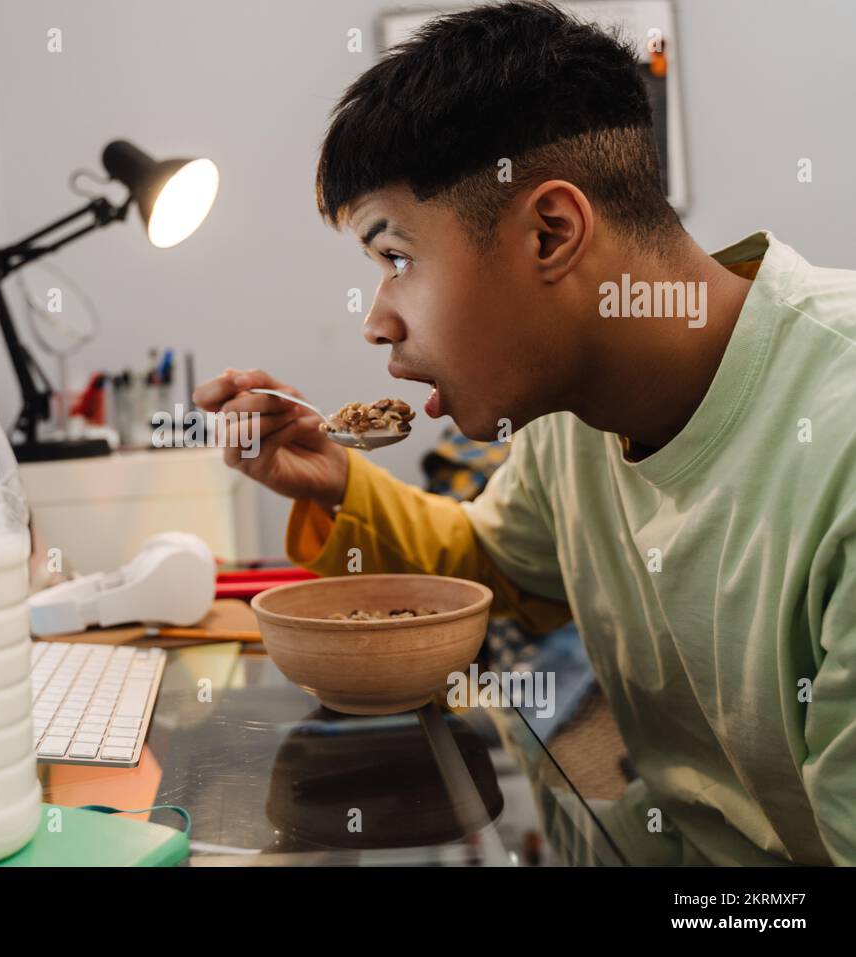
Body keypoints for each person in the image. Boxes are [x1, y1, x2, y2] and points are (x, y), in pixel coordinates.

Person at [193, 0, 856, 866]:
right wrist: (337, 485)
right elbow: (500, 565)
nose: (377, 321)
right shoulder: (571, 411)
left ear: (551, 232)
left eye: (396, 259)